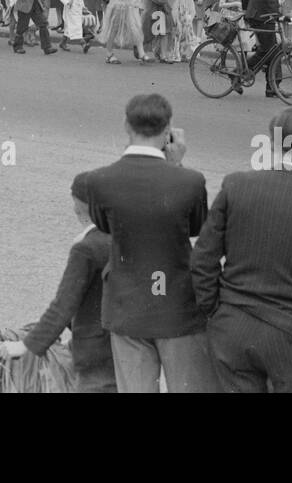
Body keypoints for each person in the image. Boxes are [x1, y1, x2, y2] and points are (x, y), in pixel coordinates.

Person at [191, 106, 292, 393]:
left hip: (232, 324)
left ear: (271, 140)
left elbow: (203, 259)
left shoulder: (235, 186)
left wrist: (215, 308)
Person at [85, 94, 217, 393]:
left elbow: (104, 227)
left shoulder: (99, 180)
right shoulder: (190, 181)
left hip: (126, 305)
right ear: (169, 129)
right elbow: (196, 227)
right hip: (178, 307)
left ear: (125, 125)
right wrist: (177, 164)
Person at [0, 172, 116, 392]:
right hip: (126, 349)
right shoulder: (124, 237)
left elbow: (65, 303)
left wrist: (25, 345)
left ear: (79, 208)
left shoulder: (86, 249)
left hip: (95, 354)